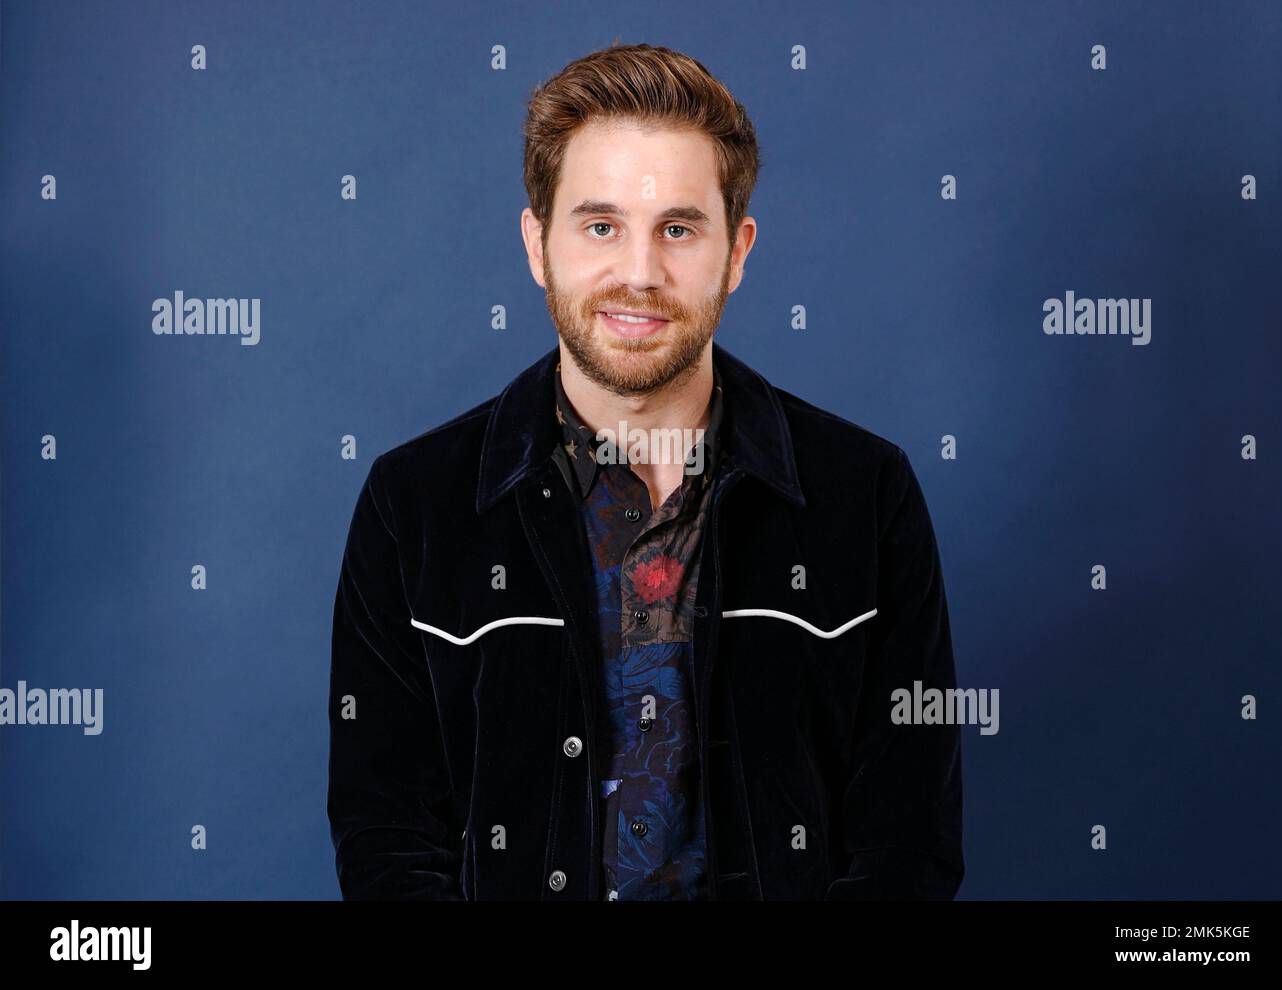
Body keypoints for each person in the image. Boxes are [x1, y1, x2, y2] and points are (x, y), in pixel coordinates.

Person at [327, 42, 963, 901]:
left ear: (737, 251)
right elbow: (387, 839)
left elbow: (908, 842)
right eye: (600, 225)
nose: (638, 272)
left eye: (678, 228)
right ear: (536, 245)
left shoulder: (865, 492)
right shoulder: (416, 504)